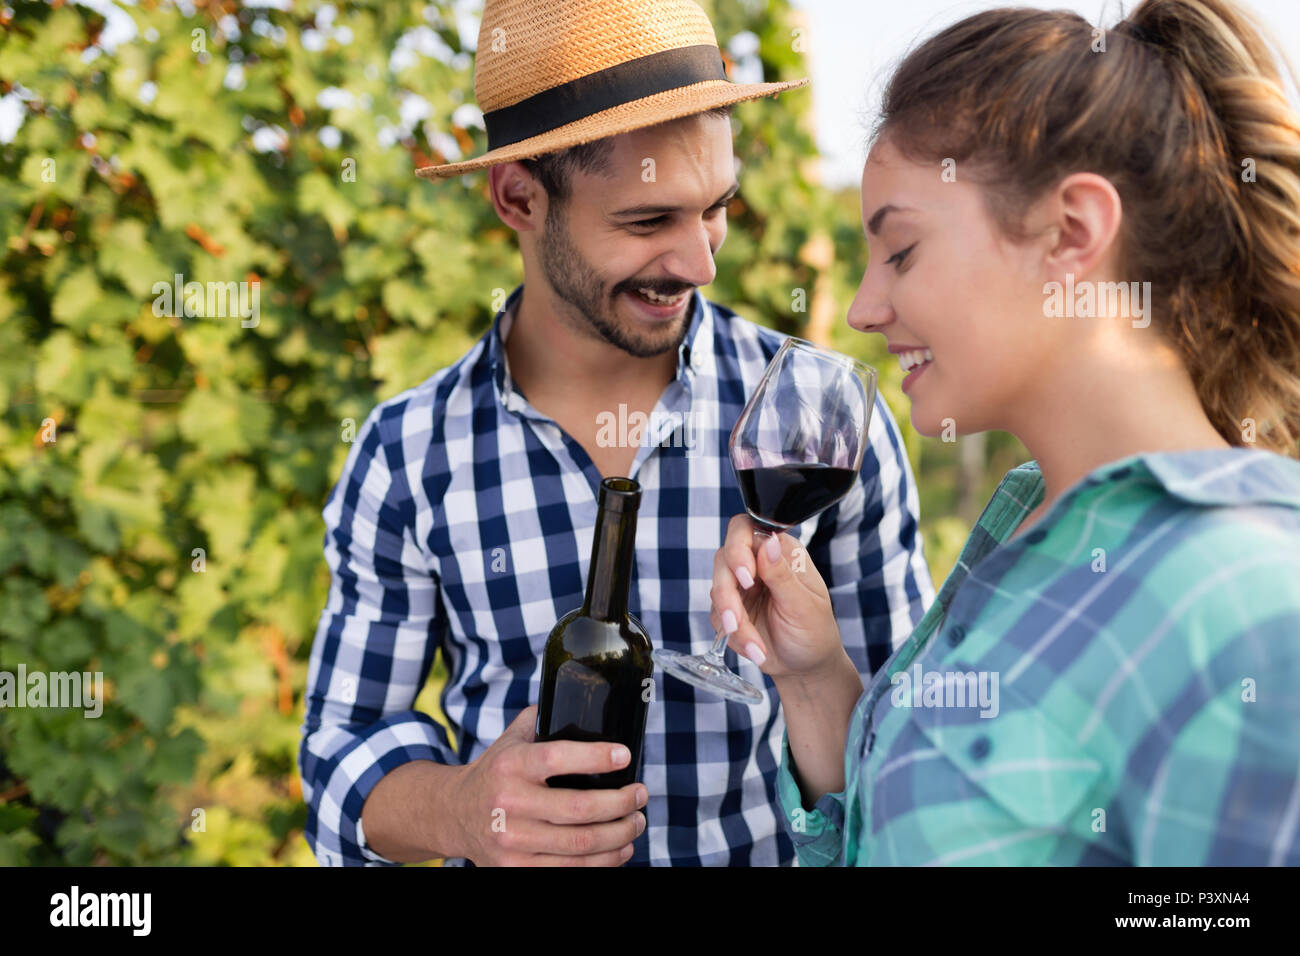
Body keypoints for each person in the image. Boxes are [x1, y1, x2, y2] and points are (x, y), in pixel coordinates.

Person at [297, 0, 934, 867]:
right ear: (519, 195)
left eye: (715, 207)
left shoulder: (818, 420)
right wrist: (460, 809)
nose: (701, 263)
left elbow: (916, 774)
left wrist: (813, 678)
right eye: (648, 221)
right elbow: (340, 751)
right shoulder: (409, 455)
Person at [710, 0, 1300, 865]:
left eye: (901, 250)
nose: (868, 309)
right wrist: (813, 679)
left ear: (1072, 233)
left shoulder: (1247, 601)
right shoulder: (1026, 519)